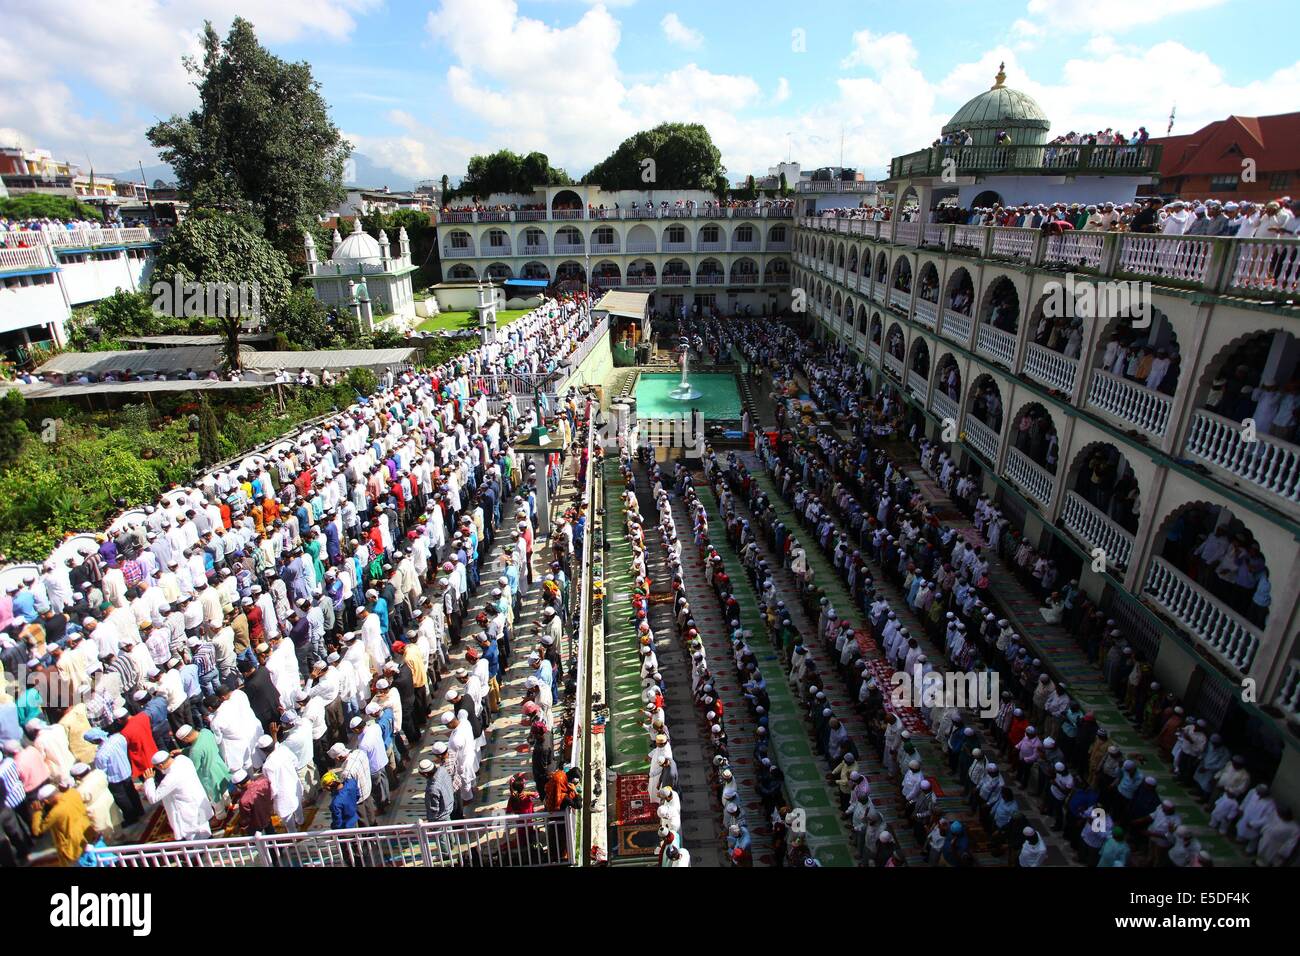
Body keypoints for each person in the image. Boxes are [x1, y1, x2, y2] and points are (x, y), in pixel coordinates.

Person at [142, 750, 214, 841]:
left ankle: (198, 852)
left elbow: (153, 798)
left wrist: (149, 780)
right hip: (199, 801)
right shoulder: (183, 759)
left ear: (160, 766)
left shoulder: (170, 778)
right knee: (203, 826)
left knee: (193, 836)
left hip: (188, 810)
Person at [30, 782, 94, 866]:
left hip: (75, 847)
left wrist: (37, 812)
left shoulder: (55, 813)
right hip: (89, 833)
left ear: (46, 801)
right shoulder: (72, 792)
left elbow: (37, 831)